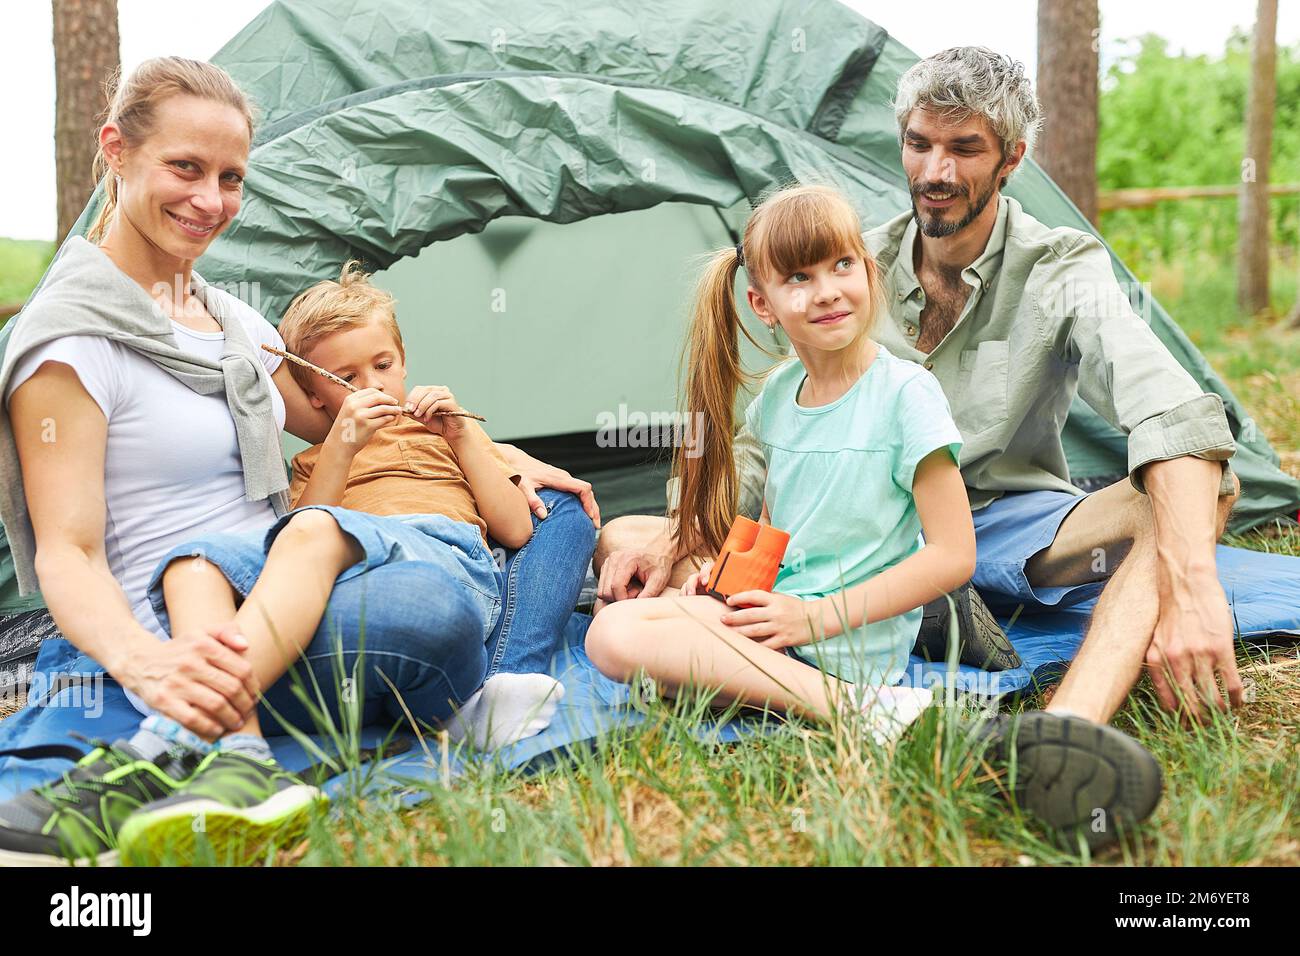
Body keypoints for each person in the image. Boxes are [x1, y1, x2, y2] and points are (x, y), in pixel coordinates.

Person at [597, 47, 1241, 846]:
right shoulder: (850, 265)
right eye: (918, 143)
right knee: (627, 536)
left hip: (1007, 525)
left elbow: (1171, 408)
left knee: (1195, 493)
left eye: (964, 148)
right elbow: (767, 447)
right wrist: (685, 535)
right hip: (863, 539)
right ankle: (909, 665)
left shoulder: (1061, 268)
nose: (935, 171)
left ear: (1012, 158)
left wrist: (1194, 580)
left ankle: (1057, 739)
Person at [0, 58, 595, 867]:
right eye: (185, 167)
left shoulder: (230, 321)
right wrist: (149, 664)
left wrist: (502, 454)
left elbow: (365, 414)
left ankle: (177, 755)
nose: (210, 202)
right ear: (115, 149)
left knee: (445, 584)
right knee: (431, 611)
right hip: (180, 632)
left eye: (231, 177)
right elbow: (66, 552)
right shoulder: (71, 345)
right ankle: (190, 738)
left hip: (304, 588)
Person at [587, 183, 974, 751]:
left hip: (842, 643)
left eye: (842, 265)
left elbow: (954, 555)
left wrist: (809, 619)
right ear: (761, 304)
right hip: (782, 619)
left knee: (612, 638)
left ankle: (858, 708)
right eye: (799, 277)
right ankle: (762, 680)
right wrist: (723, 582)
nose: (827, 292)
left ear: (869, 273)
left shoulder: (906, 395)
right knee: (637, 606)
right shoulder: (780, 394)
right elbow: (773, 527)